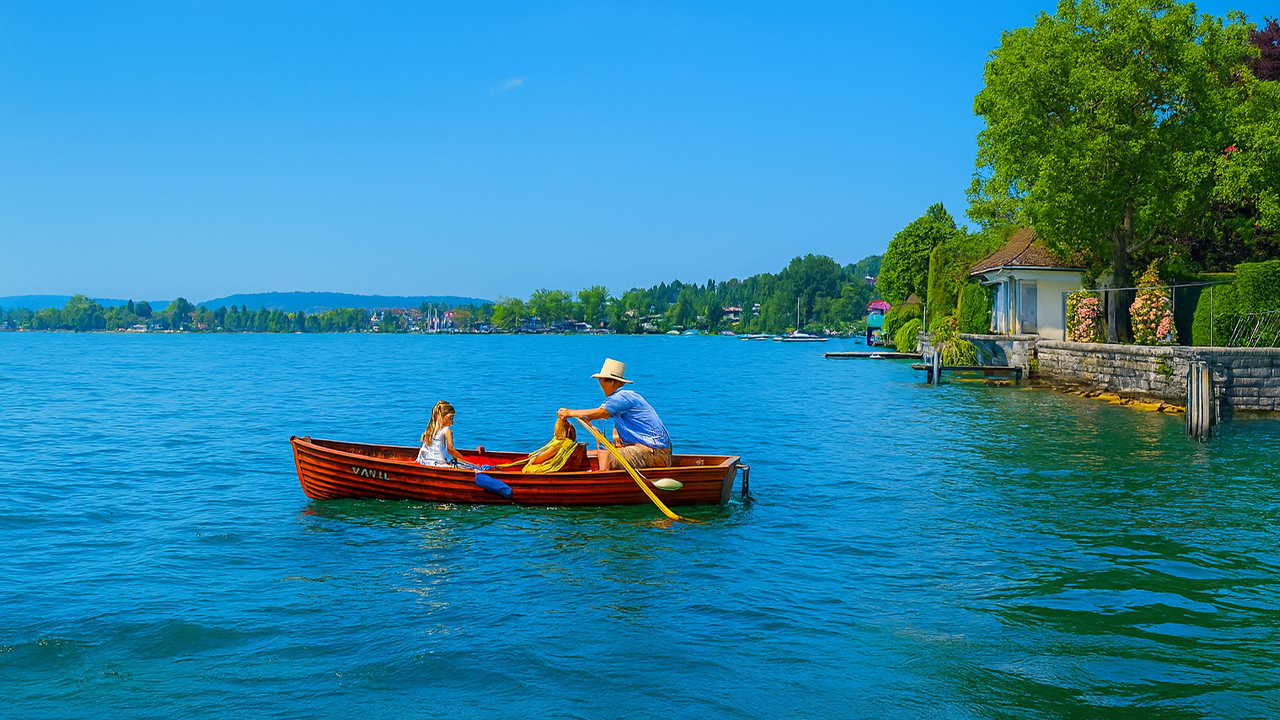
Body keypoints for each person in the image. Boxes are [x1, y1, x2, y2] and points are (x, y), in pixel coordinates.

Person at [557, 358, 672, 470]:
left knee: (606, 456)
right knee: (593, 453)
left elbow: (602, 412)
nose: (599, 383)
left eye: (601, 379)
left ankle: (602, 478)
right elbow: (604, 415)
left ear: (612, 381)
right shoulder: (623, 398)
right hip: (651, 450)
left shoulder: (622, 397)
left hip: (653, 452)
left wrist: (569, 412)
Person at [416, 401, 471, 467]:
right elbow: (450, 450)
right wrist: (465, 460)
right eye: (451, 418)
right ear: (443, 417)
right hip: (438, 464)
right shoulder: (447, 431)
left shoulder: (430, 430)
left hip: (424, 462)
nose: (452, 422)